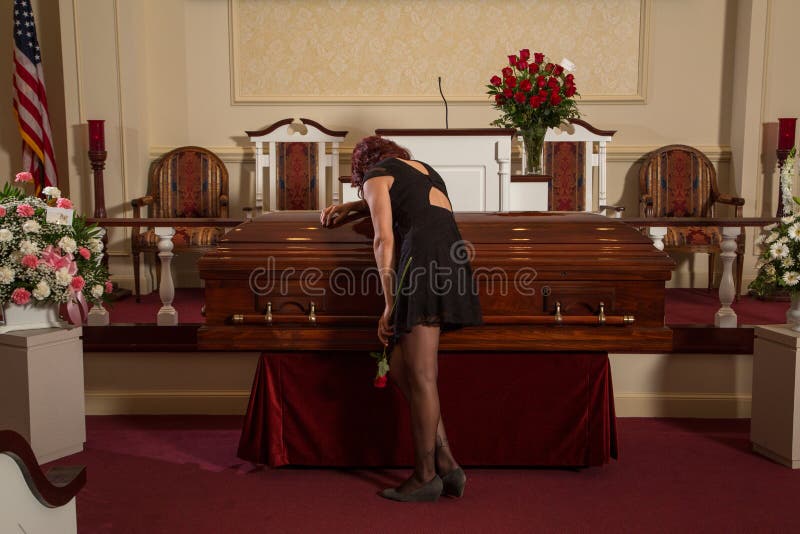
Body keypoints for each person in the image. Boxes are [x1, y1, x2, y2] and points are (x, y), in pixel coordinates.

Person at [320, 136, 482, 502]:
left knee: (423, 376)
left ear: (362, 167)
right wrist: (355, 205)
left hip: (422, 264)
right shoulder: (424, 172)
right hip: (450, 261)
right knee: (397, 365)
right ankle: (447, 463)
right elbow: (403, 205)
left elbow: (383, 240)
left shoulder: (376, 176)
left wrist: (389, 304)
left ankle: (425, 476)